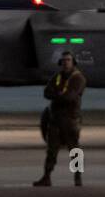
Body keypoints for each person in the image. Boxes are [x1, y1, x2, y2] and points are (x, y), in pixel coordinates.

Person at [35, 51, 85, 187]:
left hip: (70, 120)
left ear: (73, 62)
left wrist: (56, 95)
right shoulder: (57, 77)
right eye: (63, 60)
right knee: (51, 150)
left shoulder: (78, 78)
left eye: (68, 60)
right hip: (55, 119)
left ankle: (78, 177)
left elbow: (70, 96)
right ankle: (46, 176)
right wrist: (60, 94)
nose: (65, 62)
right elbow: (46, 92)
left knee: (74, 150)